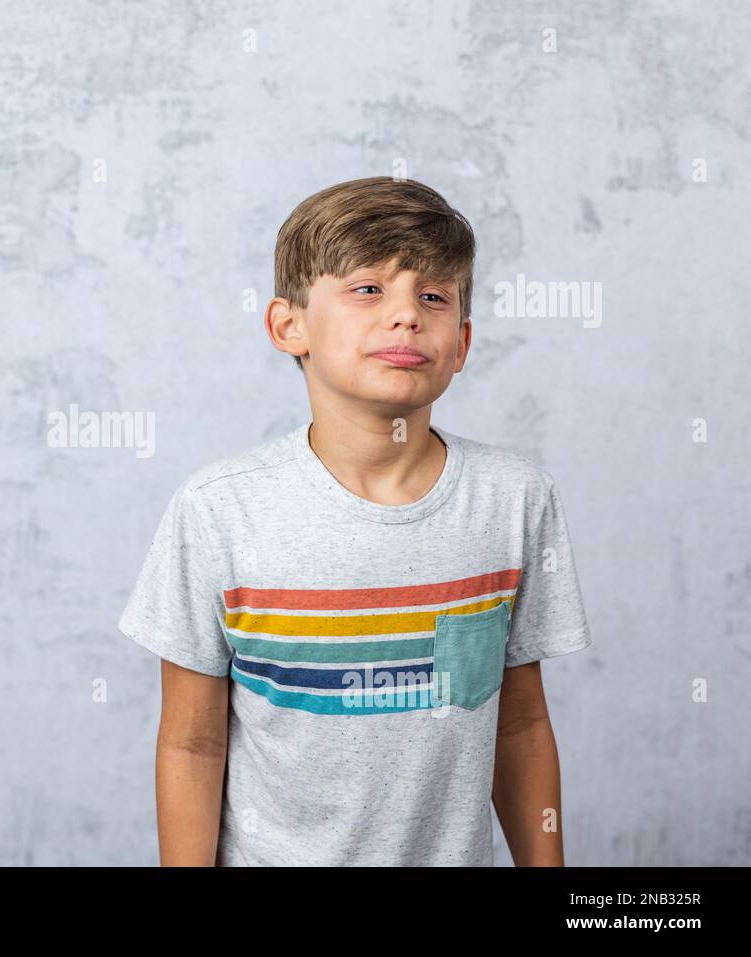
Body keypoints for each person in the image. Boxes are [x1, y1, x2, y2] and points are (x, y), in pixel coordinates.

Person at [117, 176, 593, 866]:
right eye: (369, 289)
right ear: (289, 325)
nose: (406, 315)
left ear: (460, 343)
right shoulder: (219, 509)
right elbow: (192, 741)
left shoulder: (514, 499)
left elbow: (518, 725)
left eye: (432, 296)